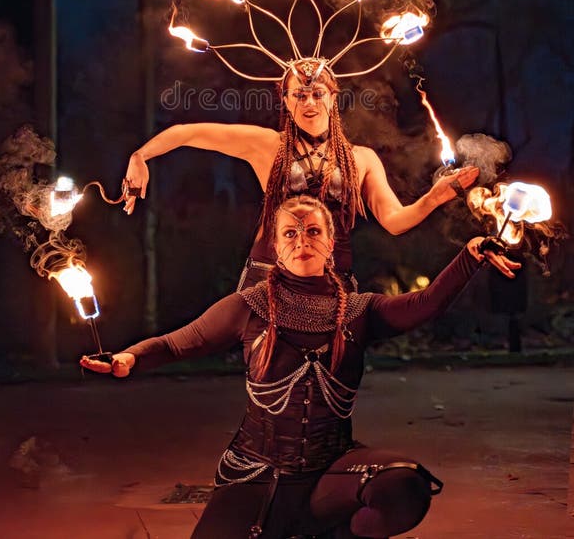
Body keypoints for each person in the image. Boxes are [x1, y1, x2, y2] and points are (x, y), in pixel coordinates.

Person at [81, 195, 517, 538]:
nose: (301, 240)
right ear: (275, 247)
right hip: (255, 471)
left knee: (403, 488)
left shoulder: (360, 310)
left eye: (312, 231)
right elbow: (177, 343)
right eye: (289, 233)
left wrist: (471, 254)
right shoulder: (248, 306)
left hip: (331, 471)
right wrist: (128, 358)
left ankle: (336, 532)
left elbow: (425, 304)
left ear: (330, 243)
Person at [123, 57, 478, 287]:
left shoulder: (362, 158)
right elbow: (188, 133)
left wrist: (434, 198)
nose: (309, 102)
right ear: (286, 101)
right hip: (270, 277)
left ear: (333, 98)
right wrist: (141, 156)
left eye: (317, 94)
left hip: (333, 281)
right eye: (299, 95)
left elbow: (394, 221)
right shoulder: (268, 145)